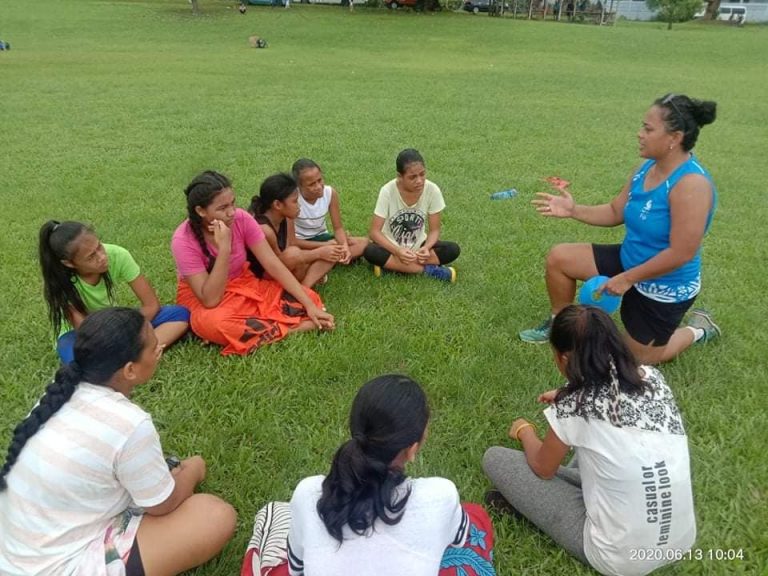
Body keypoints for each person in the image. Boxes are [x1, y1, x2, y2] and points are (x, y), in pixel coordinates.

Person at [0, 307, 236, 576]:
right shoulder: (130, 423)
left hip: (14, 554)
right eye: (152, 346)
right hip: (58, 566)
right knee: (214, 515)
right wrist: (194, 469)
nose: (159, 347)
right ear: (130, 370)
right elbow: (162, 505)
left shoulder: (54, 397)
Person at [485, 305, 696, 576]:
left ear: (562, 358)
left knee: (495, 458)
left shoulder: (576, 407)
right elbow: (608, 402)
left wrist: (525, 431)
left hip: (618, 558)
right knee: (596, 449)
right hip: (678, 540)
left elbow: (542, 468)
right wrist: (567, 396)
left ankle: (530, 504)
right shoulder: (652, 378)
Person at [520, 94, 720, 364]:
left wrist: (628, 279)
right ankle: (560, 325)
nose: (639, 134)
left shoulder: (691, 185)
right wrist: (573, 210)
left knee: (633, 361)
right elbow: (616, 211)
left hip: (664, 285)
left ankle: (699, 329)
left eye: (648, 129)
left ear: (674, 138)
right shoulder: (647, 167)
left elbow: (682, 253)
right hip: (630, 261)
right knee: (560, 258)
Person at [242, 375, 495, 576]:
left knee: (274, 512)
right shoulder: (440, 496)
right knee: (475, 516)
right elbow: (459, 540)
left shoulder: (307, 494)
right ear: (413, 449)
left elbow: (298, 569)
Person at [171, 170, 334, 356]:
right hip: (209, 300)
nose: (231, 212)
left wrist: (310, 305)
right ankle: (294, 328)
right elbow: (210, 300)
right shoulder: (183, 240)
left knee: (309, 296)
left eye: (232, 203)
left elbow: (273, 264)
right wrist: (225, 249)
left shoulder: (242, 218)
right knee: (216, 324)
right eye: (222, 208)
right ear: (200, 211)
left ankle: (268, 328)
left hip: (246, 285)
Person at [39, 220, 190, 364]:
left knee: (179, 314)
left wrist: (125, 331)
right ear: (69, 263)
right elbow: (87, 332)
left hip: (114, 323)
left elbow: (151, 305)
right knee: (77, 360)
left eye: (99, 246)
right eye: (91, 257)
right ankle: (140, 354)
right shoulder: (59, 280)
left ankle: (127, 359)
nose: (102, 257)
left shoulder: (117, 255)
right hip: (81, 335)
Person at [364, 149, 461, 283]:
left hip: (419, 246)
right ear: (399, 176)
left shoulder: (432, 190)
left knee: (452, 249)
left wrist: (426, 248)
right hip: (392, 247)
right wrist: (398, 252)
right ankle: (429, 271)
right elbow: (374, 232)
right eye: (412, 177)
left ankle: (393, 267)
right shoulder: (387, 191)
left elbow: (435, 230)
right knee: (370, 251)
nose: (419, 181)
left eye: (422, 174)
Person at [248, 172, 345, 288]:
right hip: (266, 276)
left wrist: (323, 251)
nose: (299, 205)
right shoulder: (265, 229)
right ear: (277, 205)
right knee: (294, 253)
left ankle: (305, 286)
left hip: (287, 266)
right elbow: (281, 262)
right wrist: (318, 253)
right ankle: (304, 285)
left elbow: (290, 247)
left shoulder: (285, 216)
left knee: (332, 252)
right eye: (295, 201)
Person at [291, 158, 368, 264]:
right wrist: (324, 246)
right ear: (299, 186)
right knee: (293, 254)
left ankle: (324, 260)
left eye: (320, 180)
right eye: (311, 184)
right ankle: (323, 259)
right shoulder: (293, 199)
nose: (318, 187)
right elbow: (292, 241)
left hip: (322, 237)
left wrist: (344, 246)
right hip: (302, 243)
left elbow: (338, 228)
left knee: (364, 243)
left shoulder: (330, 193)